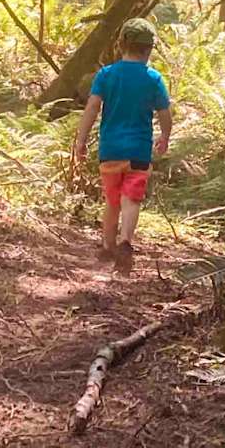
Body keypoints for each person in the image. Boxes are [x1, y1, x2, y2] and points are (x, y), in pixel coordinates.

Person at [70, 17, 172, 271]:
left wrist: (80, 141)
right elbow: (165, 113)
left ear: (120, 44)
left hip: (110, 151)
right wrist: (165, 136)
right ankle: (126, 241)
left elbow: (92, 107)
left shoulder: (106, 74)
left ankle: (107, 246)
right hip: (139, 151)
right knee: (132, 200)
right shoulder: (153, 78)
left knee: (112, 201)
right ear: (149, 49)